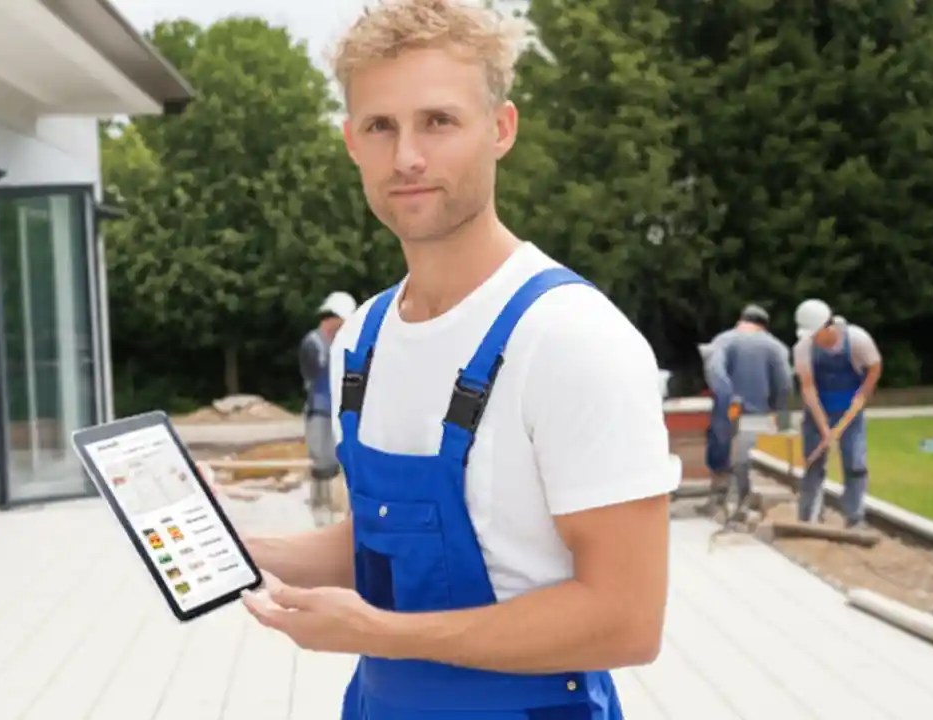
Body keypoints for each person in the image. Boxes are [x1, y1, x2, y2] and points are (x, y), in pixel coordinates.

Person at [239, 2, 678, 717]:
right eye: (381, 126)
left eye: (438, 121)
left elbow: (626, 621)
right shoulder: (361, 340)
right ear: (351, 141)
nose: (407, 156)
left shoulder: (572, 340)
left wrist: (381, 633)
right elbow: (387, 542)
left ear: (500, 129)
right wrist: (240, 551)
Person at [793, 298, 883, 527]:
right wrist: (824, 427)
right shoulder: (803, 347)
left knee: (855, 464)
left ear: (828, 326)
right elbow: (808, 387)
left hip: (850, 412)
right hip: (817, 412)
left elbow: (874, 367)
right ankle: (808, 518)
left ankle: (854, 518)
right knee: (813, 465)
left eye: (815, 333)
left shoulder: (857, 339)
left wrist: (862, 396)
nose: (812, 338)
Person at [701, 304, 793, 517]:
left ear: (741, 321)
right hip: (758, 414)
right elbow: (785, 384)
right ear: (764, 326)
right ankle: (744, 502)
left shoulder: (723, 340)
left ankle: (719, 498)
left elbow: (714, 371)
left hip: (728, 410)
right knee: (748, 459)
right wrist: (782, 418)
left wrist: (728, 398)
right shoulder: (776, 347)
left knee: (722, 448)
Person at [301, 291, 358, 524]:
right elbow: (313, 379)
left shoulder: (344, 342)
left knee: (339, 461)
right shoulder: (313, 343)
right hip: (320, 409)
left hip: (340, 409)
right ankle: (320, 511)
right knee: (321, 460)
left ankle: (337, 511)